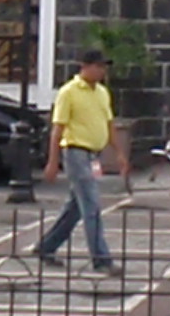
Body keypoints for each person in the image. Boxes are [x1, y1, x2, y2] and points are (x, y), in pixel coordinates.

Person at [33, 49, 127, 275]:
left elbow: (109, 124)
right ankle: (101, 259)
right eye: (99, 66)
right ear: (86, 66)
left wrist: (119, 153)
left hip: (93, 154)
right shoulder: (69, 92)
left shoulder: (102, 93)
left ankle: (47, 247)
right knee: (92, 205)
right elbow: (58, 129)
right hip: (75, 152)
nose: (103, 71)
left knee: (76, 207)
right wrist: (52, 161)